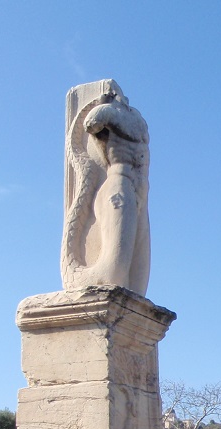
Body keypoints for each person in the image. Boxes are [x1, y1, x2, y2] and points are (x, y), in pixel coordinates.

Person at [61, 80, 150, 295]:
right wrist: (105, 106)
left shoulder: (135, 119)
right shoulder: (114, 113)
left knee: (137, 289)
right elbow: (92, 122)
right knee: (114, 274)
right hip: (118, 185)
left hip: (140, 191)